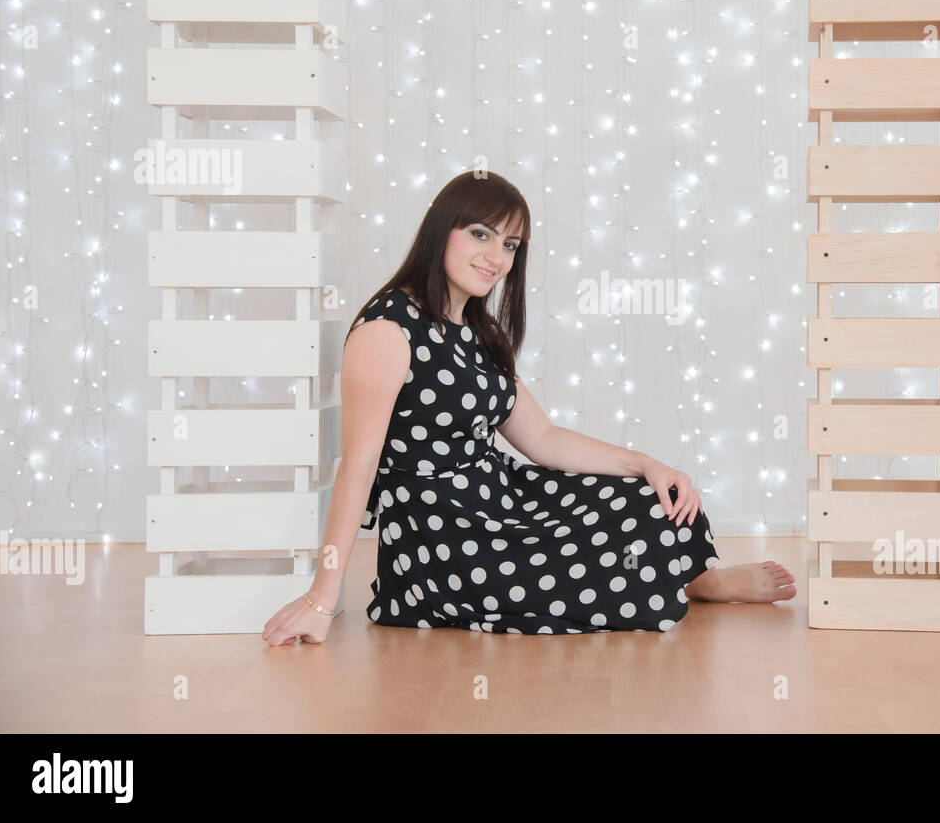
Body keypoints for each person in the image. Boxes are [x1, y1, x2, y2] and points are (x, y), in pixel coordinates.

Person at [262, 170, 795, 645]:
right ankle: (678, 582)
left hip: (499, 496)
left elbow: (541, 438)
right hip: (443, 537)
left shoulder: (475, 327)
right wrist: (320, 600)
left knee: (652, 498)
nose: (497, 258)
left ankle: (708, 581)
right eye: (480, 234)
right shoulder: (388, 331)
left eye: (511, 245)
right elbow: (357, 467)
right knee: (600, 568)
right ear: (439, 231)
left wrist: (646, 463)